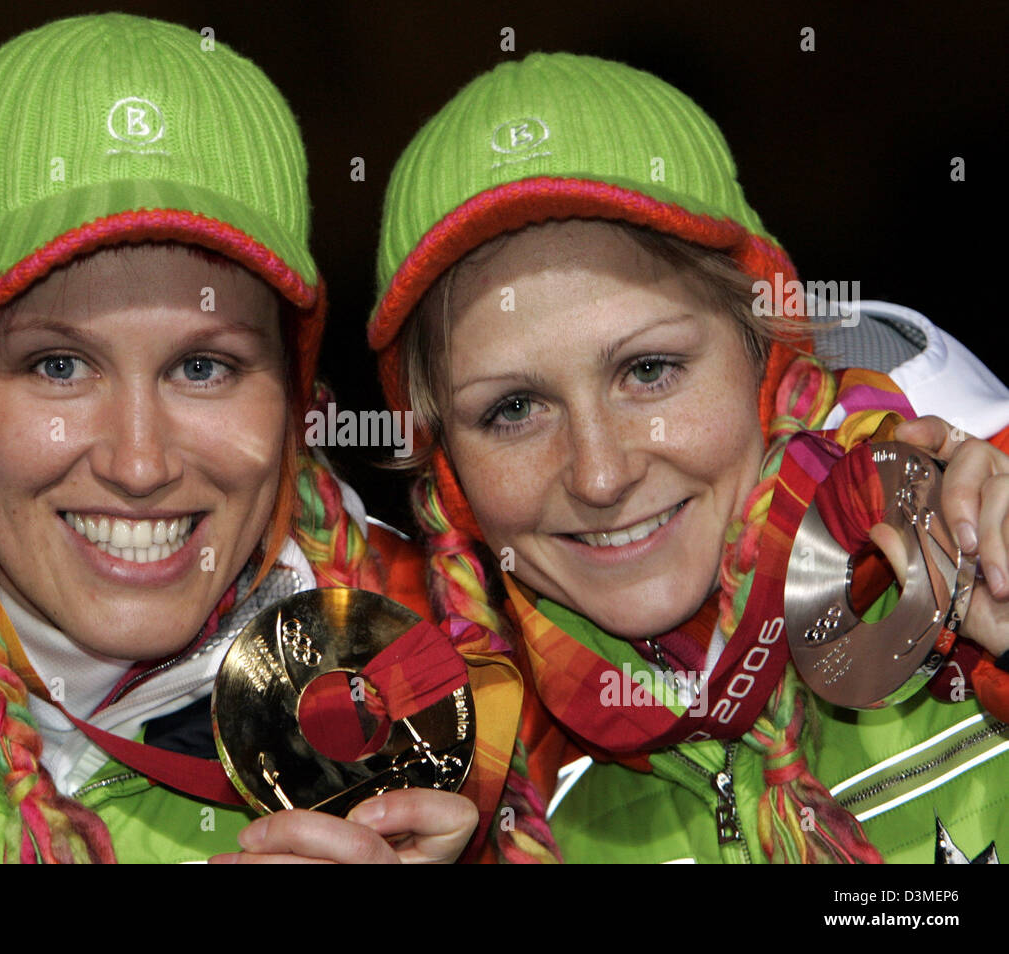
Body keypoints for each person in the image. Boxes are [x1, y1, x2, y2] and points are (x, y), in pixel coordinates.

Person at [0, 13, 481, 864]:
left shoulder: (446, 676)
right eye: (58, 366)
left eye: (203, 369)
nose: (139, 464)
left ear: (294, 398)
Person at [368, 52, 1009, 863]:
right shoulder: (456, 793)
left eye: (648, 371)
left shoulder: (977, 575)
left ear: (768, 356)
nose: (601, 475)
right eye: (513, 409)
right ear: (450, 480)